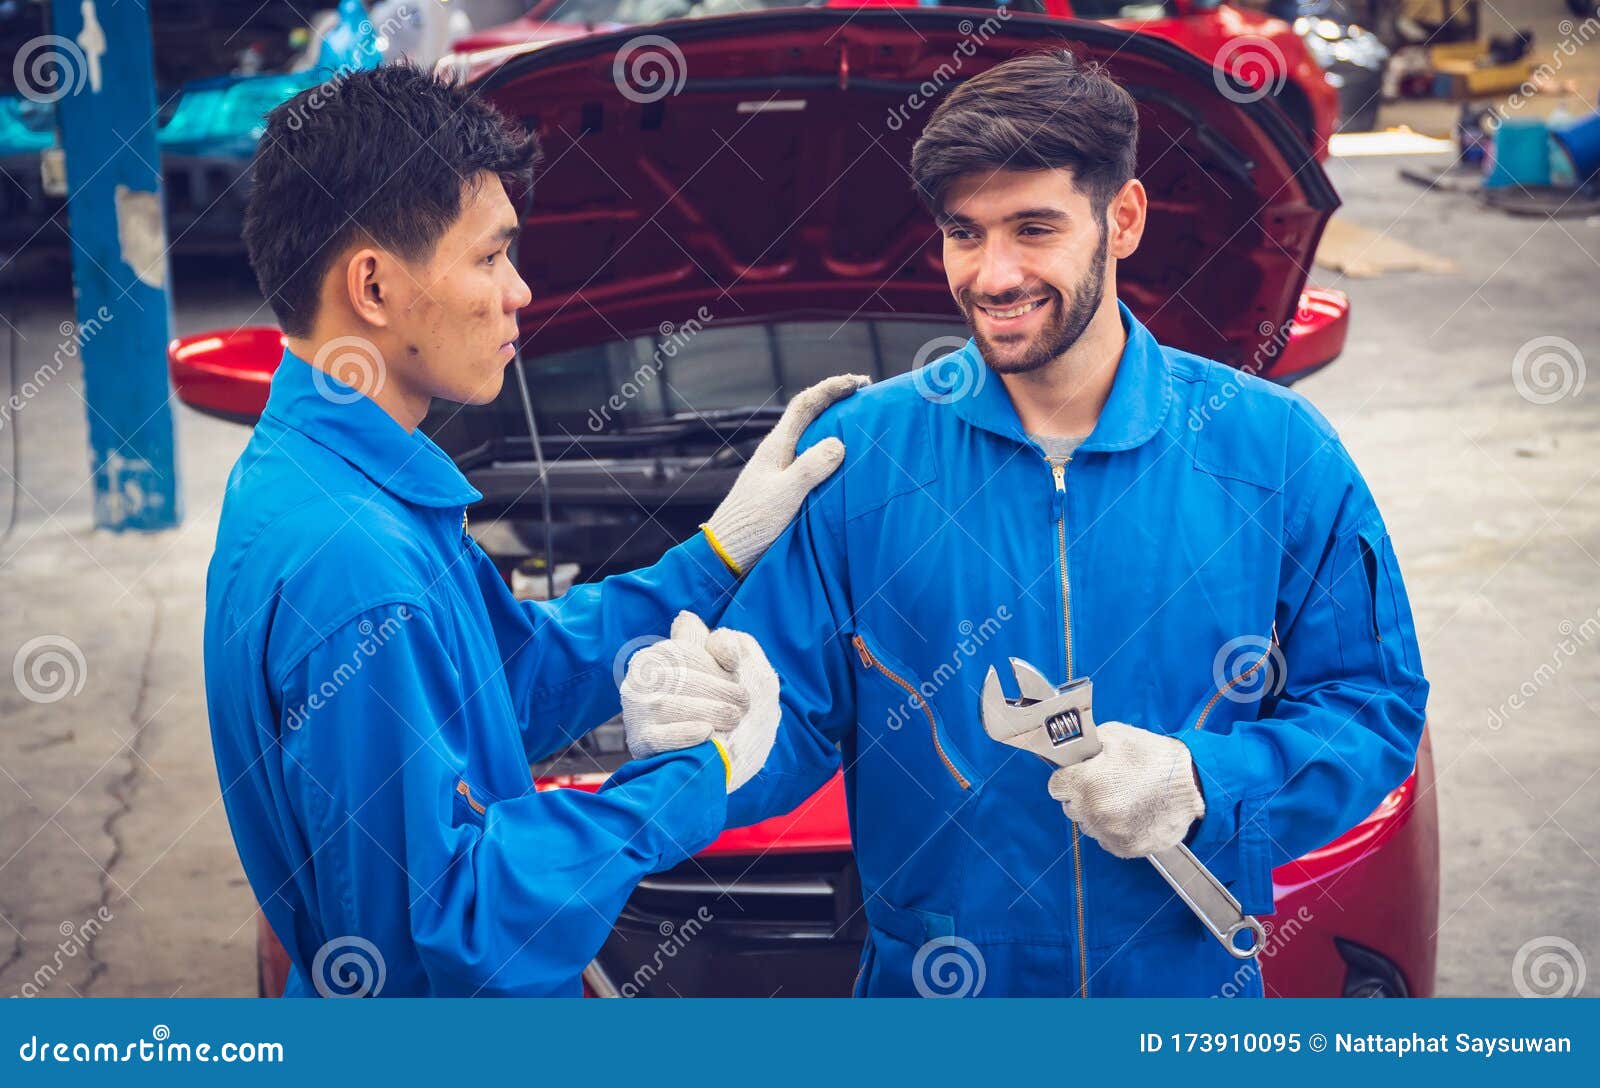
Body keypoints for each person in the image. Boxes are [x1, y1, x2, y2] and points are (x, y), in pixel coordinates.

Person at [654, 50, 1428, 997]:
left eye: (1034, 228)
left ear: (1125, 219)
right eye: (964, 233)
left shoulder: (1273, 451)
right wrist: (709, 741)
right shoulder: (865, 460)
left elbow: (1373, 705)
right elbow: (786, 725)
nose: (994, 273)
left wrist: (1208, 779)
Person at [202, 64, 859, 997]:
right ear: (375, 287)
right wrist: (692, 779)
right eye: (489, 257)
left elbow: (514, 681)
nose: (521, 292)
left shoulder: (339, 484)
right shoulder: (354, 567)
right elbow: (449, 922)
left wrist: (719, 553)